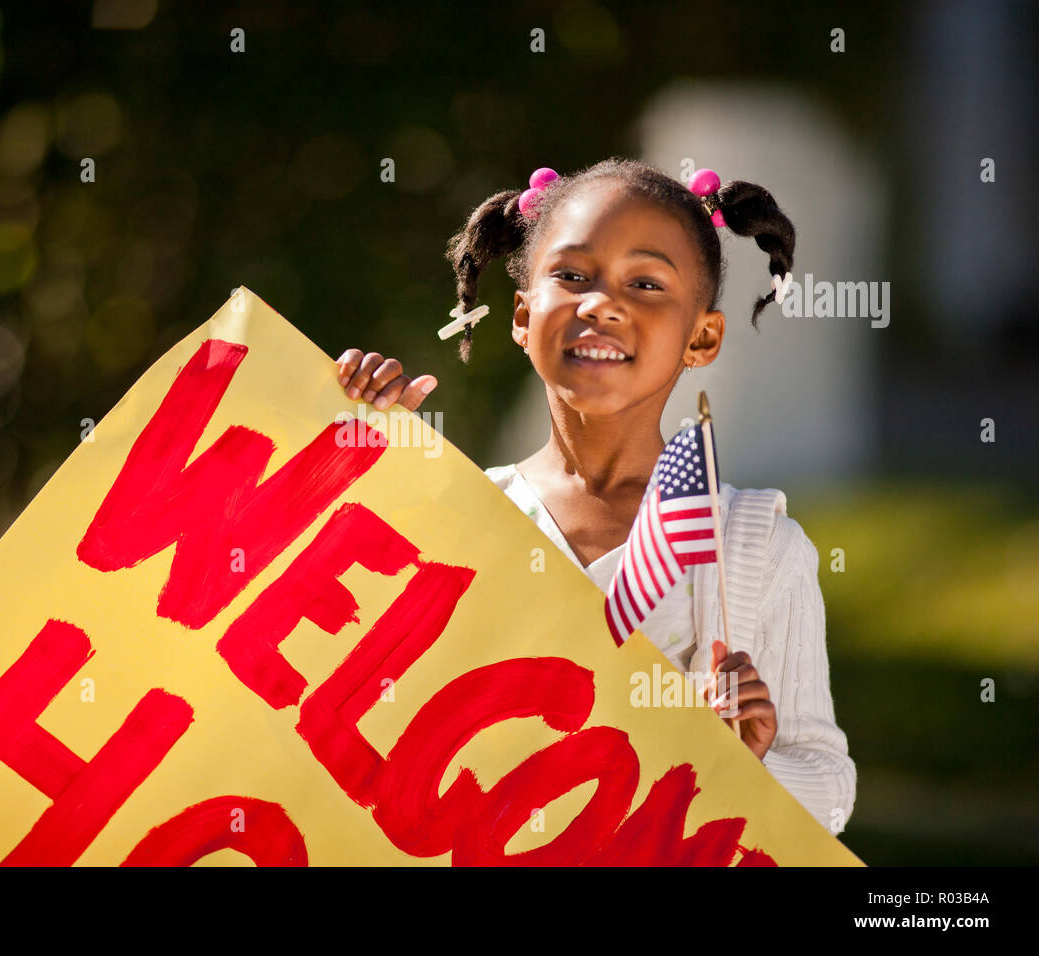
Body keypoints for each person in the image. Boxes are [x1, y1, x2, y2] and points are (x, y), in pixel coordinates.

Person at [331, 157, 855, 835]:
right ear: (522, 317)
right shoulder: (462, 521)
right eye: (573, 276)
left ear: (703, 337)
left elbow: (832, 797)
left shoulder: (754, 548)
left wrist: (744, 765)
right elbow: (352, 707)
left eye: (645, 283)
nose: (601, 303)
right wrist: (342, 469)